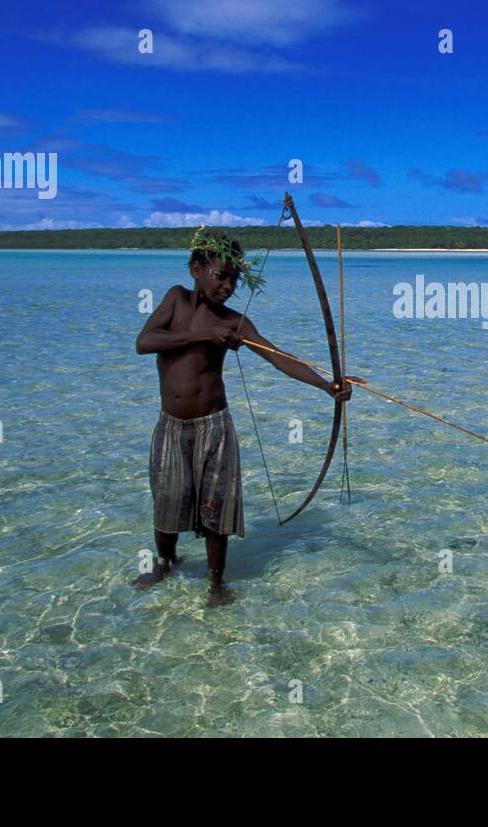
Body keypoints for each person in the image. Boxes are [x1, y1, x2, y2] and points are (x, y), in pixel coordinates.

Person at [133, 227, 351, 606]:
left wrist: (327, 386)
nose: (229, 286)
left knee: (216, 508)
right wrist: (204, 335)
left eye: (235, 278)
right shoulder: (176, 300)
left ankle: (217, 584)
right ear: (196, 268)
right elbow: (144, 342)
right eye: (221, 276)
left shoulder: (235, 323)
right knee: (167, 499)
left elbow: (278, 356)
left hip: (214, 425)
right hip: (171, 425)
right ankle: (166, 563)